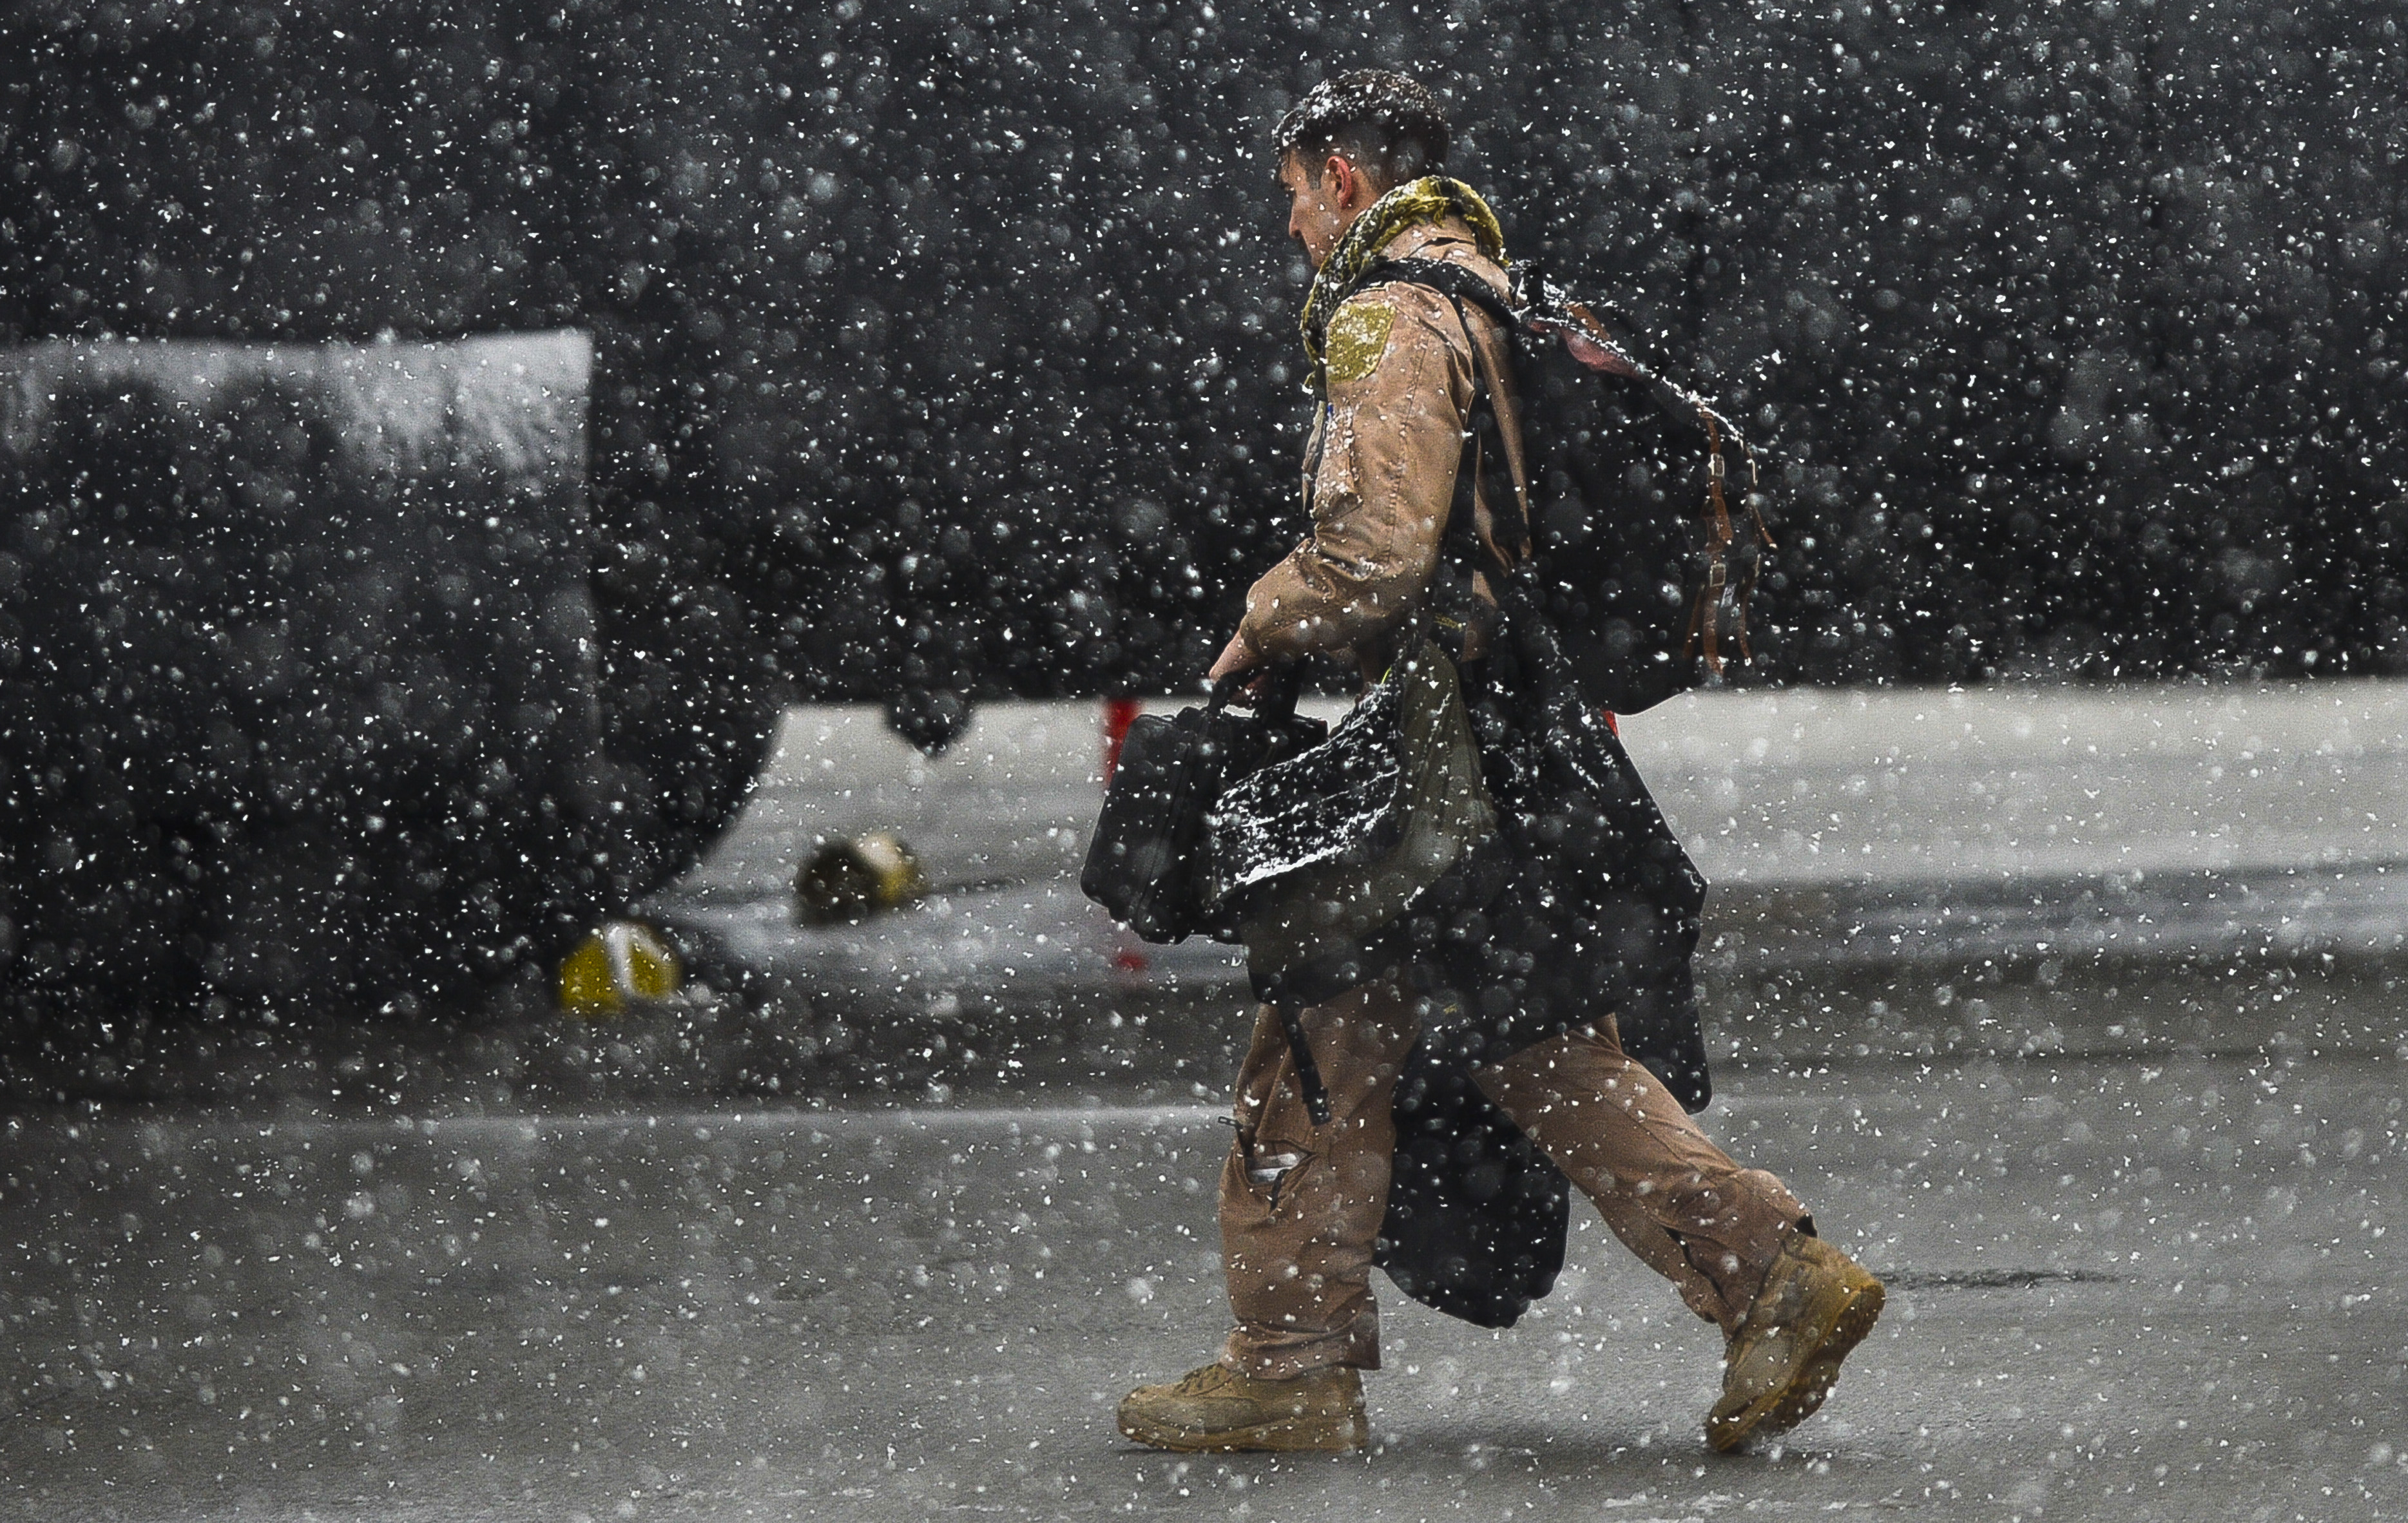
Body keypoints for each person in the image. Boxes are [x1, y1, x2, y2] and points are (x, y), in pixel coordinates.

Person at [1114, 69, 1885, 1457]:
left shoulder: (1389, 314)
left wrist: (1259, 621)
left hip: (1432, 745)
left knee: (1338, 1025)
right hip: (1504, 730)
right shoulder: (1497, 294)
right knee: (1495, 1037)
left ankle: (1293, 1365)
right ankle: (1767, 1274)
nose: (1289, 219)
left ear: (1340, 176)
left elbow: (1377, 548)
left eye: (1294, 188)